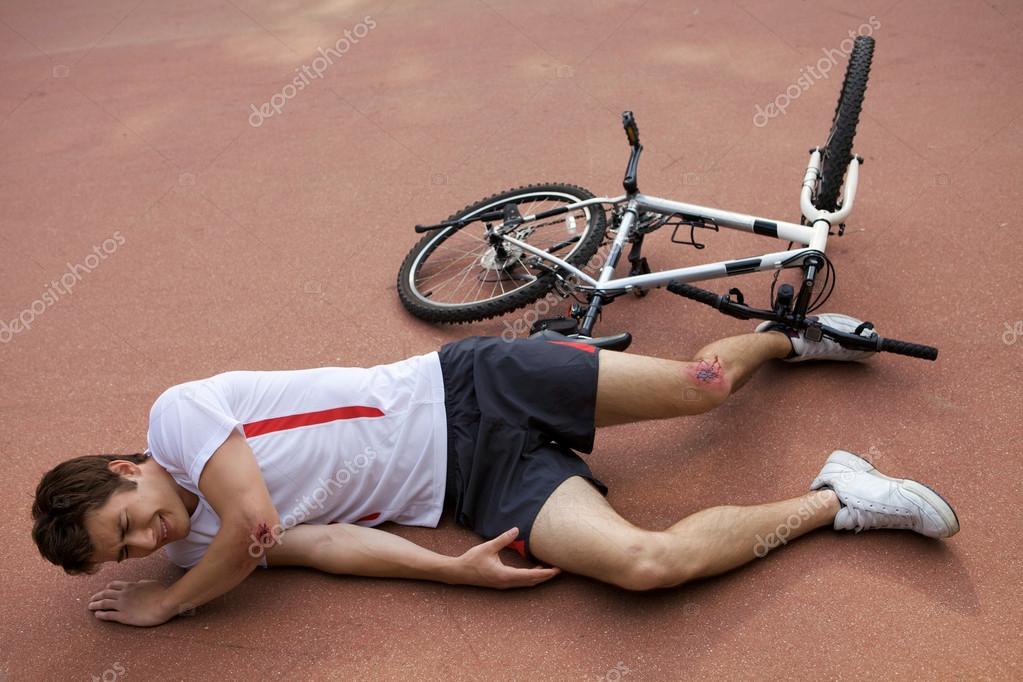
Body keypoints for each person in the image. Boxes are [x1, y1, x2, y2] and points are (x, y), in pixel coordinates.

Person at [31, 314, 959, 627]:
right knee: (644, 567)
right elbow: (318, 546)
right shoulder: (200, 546)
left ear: (127, 467)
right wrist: (451, 571)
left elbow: (260, 526)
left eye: (129, 523)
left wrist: (171, 603)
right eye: (129, 556)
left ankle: (783, 337)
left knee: (703, 387)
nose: (150, 543)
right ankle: (839, 496)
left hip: (473, 384)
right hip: (472, 492)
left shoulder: (178, 418)